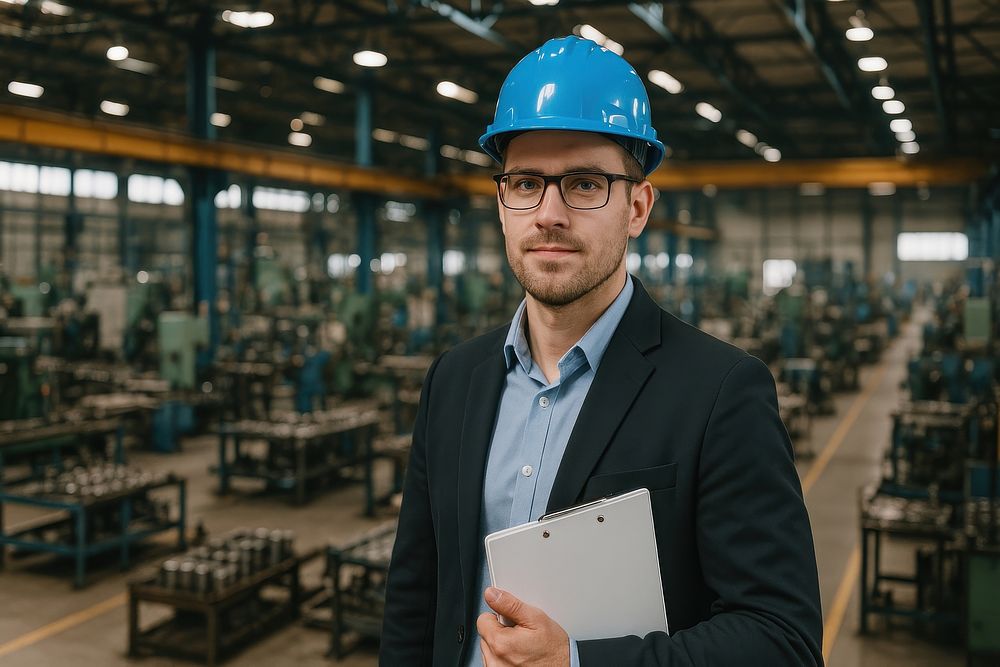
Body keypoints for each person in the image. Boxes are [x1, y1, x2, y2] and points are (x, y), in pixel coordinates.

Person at [380, 35, 823, 666]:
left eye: (585, 183)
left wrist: (579, 662)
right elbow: (413, 601)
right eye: (526, 182)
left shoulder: (721, 392)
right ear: (501, 204)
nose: (549, 214)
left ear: (638, 207)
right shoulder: (453, 381)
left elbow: (783, 641)